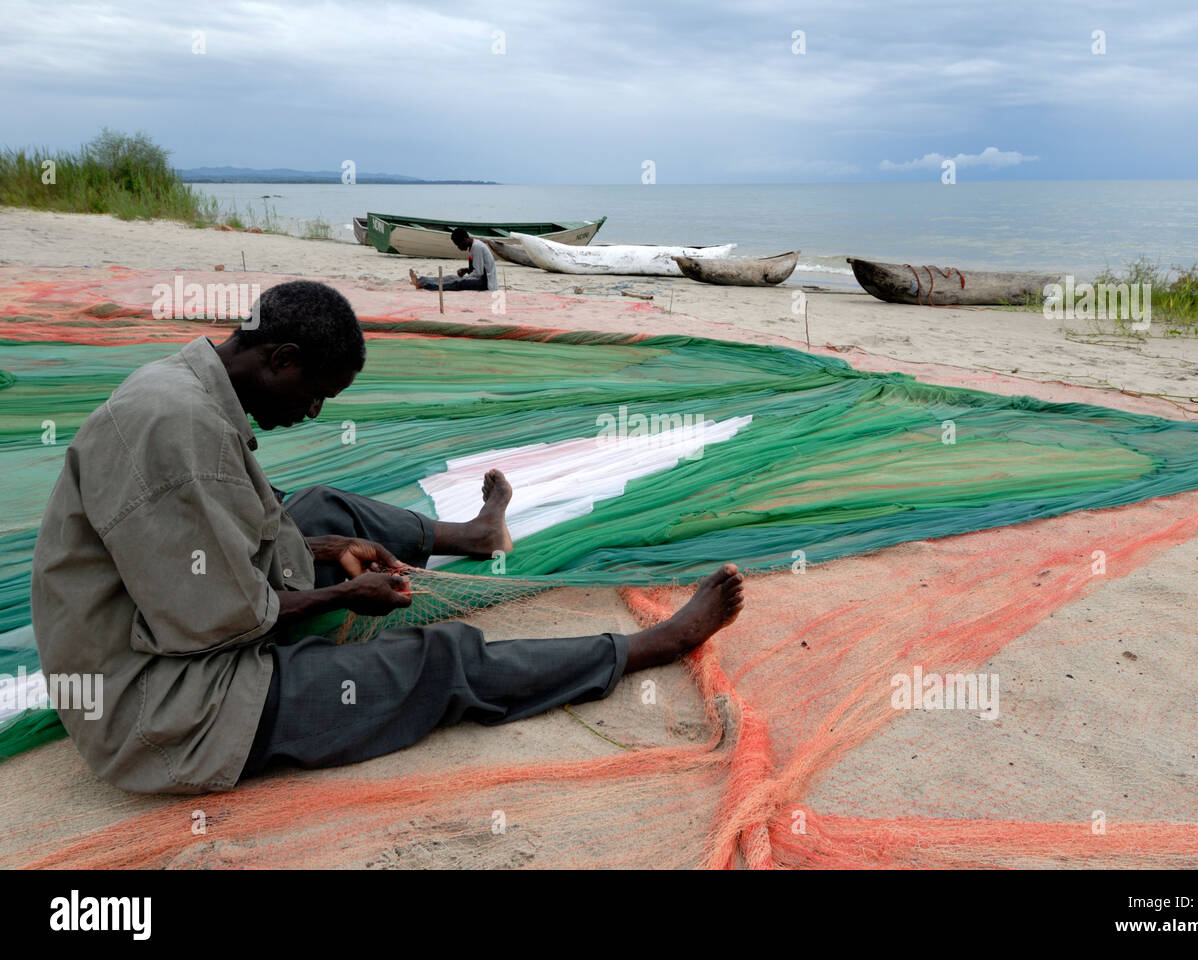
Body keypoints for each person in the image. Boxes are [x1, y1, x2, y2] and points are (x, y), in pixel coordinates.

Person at [30, 280, 743, 795]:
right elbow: (215, 617)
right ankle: (646, 648)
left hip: (163, 631)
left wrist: (319, 550)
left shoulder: (185, 387)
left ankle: (472, 534)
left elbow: (225, 534)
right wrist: (345, 593)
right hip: (173, 704)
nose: (311, 412)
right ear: (278, 357)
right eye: (315, 395)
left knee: (316, 508)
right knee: (436, 661)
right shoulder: (176, 426)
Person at [409, 227, 498, 292]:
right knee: (450, 278)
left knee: (457, 283)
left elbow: (479, 273)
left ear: (464, 239)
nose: (458, 248)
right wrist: (466, 270)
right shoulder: (473, 246)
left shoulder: (476, 247)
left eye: (458, 244)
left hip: (485, 283)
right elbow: (479, 268)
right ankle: (422, 280)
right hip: (480, 279)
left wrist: (465, 278)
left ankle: (425, 285)